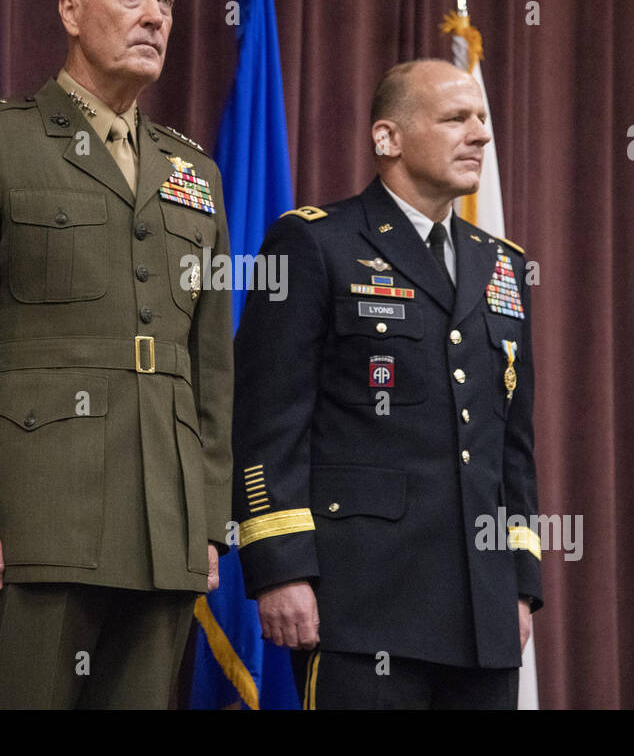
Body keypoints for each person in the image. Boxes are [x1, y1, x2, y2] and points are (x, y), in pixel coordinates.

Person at [0, 0, 232, 709]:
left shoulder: (194, 173)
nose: (155, 15)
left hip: (165, 526)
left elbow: (211, 361)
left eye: (169, 1)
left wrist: (208, 521)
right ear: (71, 11)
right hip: (34, 523)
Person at [232, 59, 542, 709]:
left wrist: (517, 584)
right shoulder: (314, 242)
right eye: (456, 118)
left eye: (482, 119)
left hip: (482, 615)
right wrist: (280, 568)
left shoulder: (503, 266)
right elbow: (265, 421)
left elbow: (511, 447)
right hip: (360, 602)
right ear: (387, 138)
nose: (480, 134)